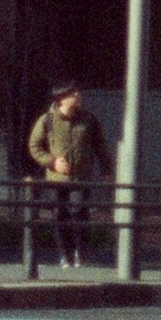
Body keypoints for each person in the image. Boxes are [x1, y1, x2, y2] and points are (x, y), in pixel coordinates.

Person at [27, 86, 111, 270]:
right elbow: (34, 146)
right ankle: (64, 255)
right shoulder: (47, 120)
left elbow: (100, 146)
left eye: (78, 93)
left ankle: (79, 252)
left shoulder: (89, 119)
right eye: (72, 94)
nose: (77, 96)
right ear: (61, 100)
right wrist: (52, 162)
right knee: (60, 216)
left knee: (79, 212)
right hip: (56, 179)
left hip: (81, 178)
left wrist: (107, 168)